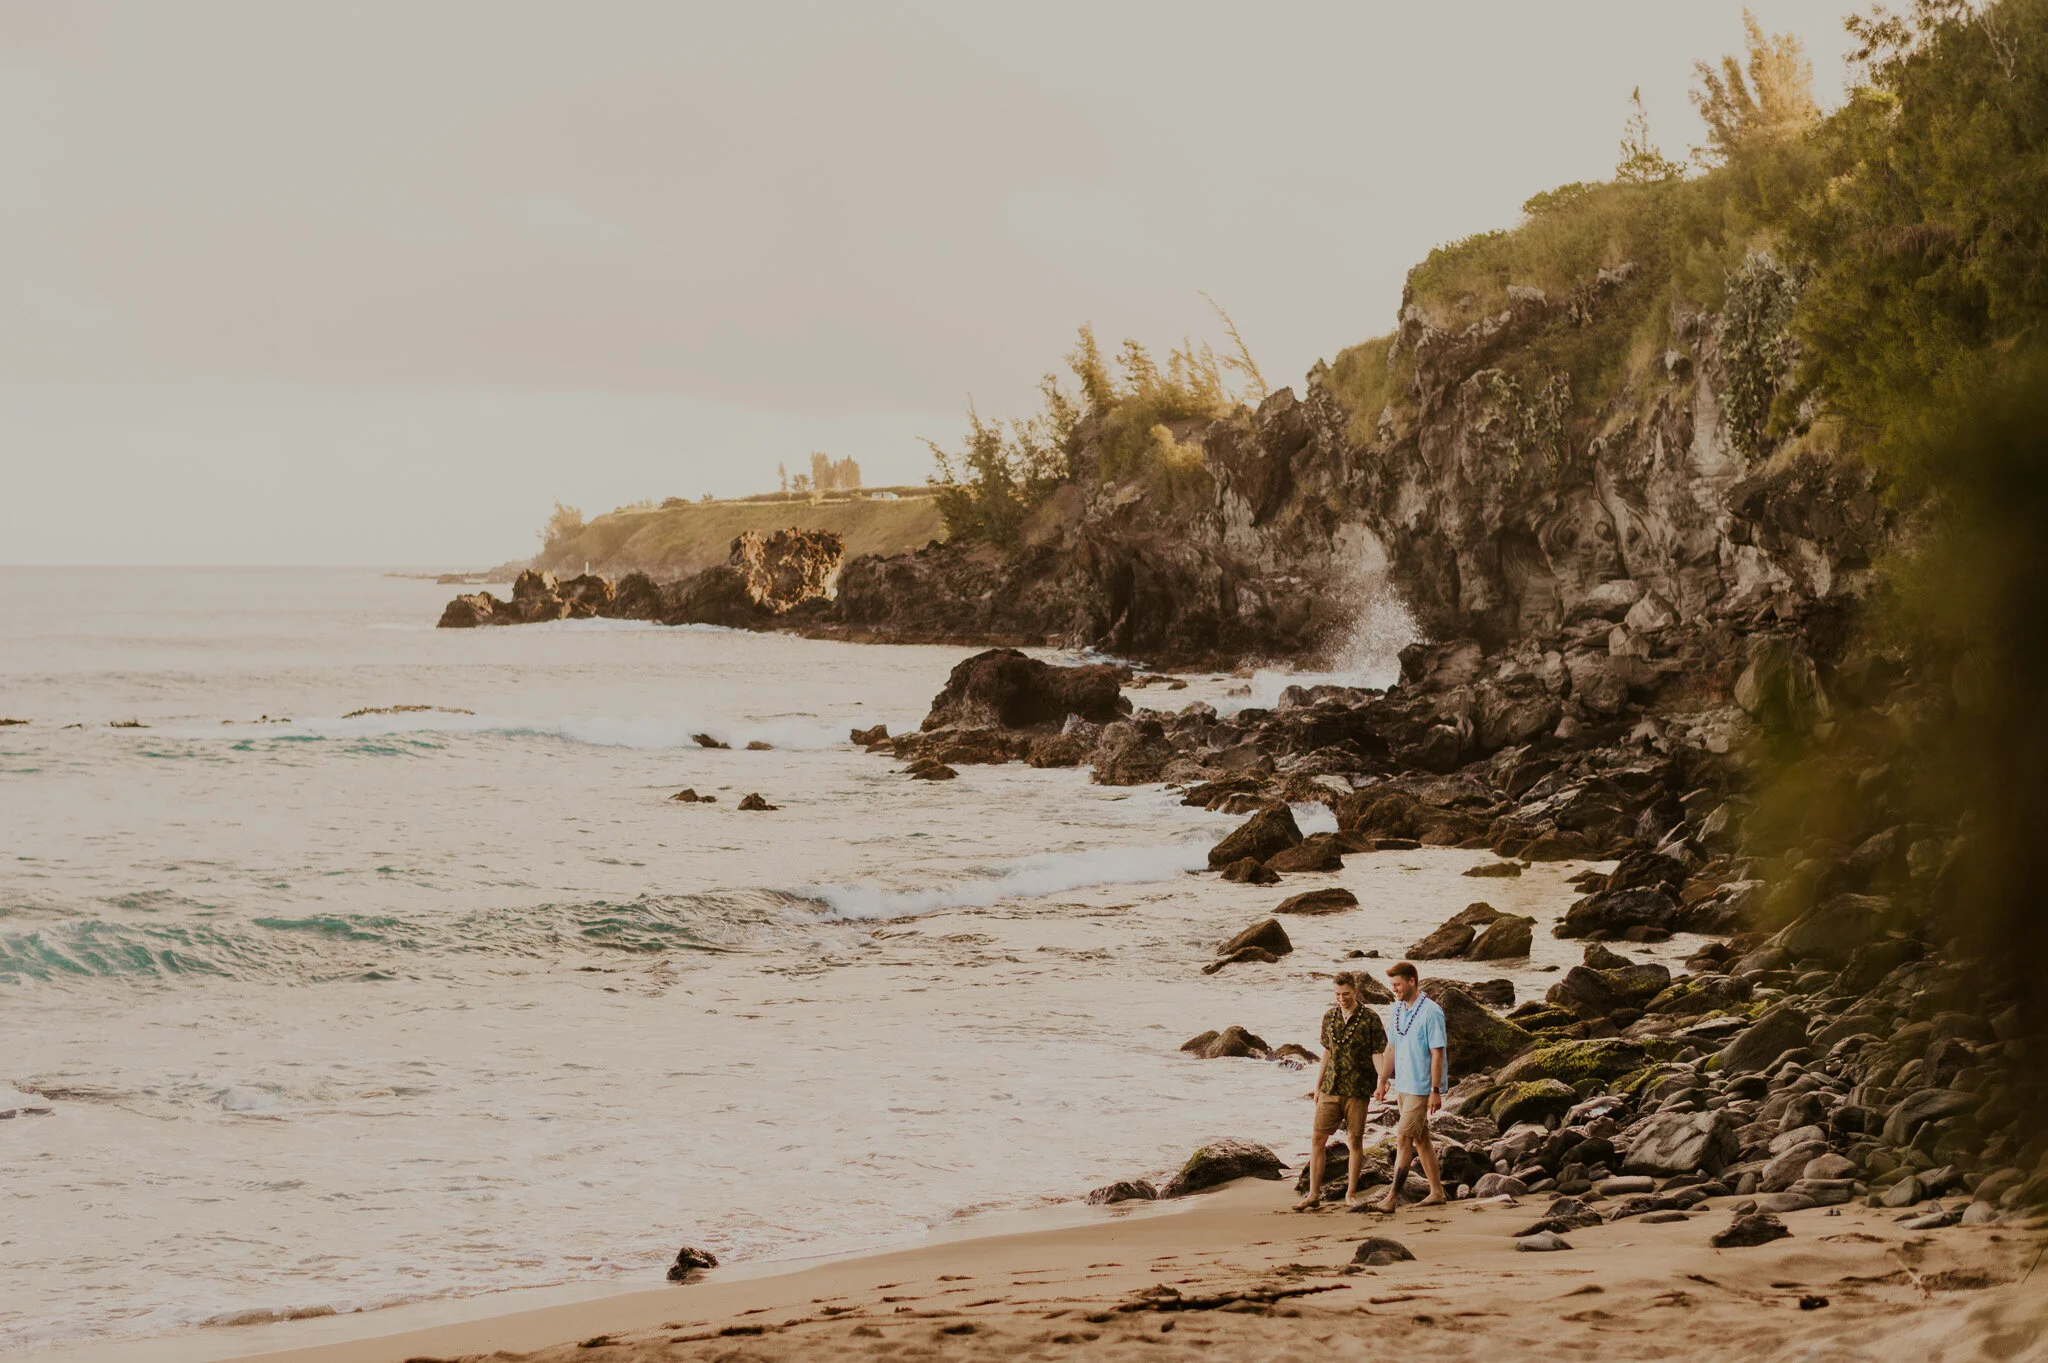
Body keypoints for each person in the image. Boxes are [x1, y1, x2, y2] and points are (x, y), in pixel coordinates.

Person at [1293, 972, 1388, 1211]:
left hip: (1357, 1089)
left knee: (1355, 1140)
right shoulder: (1329, 1017)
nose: (1341, 998)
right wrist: (1317, 1085)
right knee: (1317, 1138)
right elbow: (1326, 1053)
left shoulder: (1370, 1018)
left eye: (1345, 994)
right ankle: (1313, 1194)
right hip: (1330, 1088)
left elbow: (1378, 1053)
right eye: (1337, 994)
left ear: (1355, 990)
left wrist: (1382, 1081)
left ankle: (1351, 1193)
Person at [1372, 960, 1448, 1211]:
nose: (1393, 989)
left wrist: (1435, 1091)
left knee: (1403, 1138)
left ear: (1412, 981)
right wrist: (1382, 1080)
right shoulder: (1396, 1010)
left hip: (1421, 1086)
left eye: (1397, 984)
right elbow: (1390, 1047)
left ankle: (1392, 1198)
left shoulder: (1431, 1012)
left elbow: (1437, 1054)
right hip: (1403, 1083)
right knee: (1421, 1139)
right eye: (1391, 985)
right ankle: (1437, 1192)